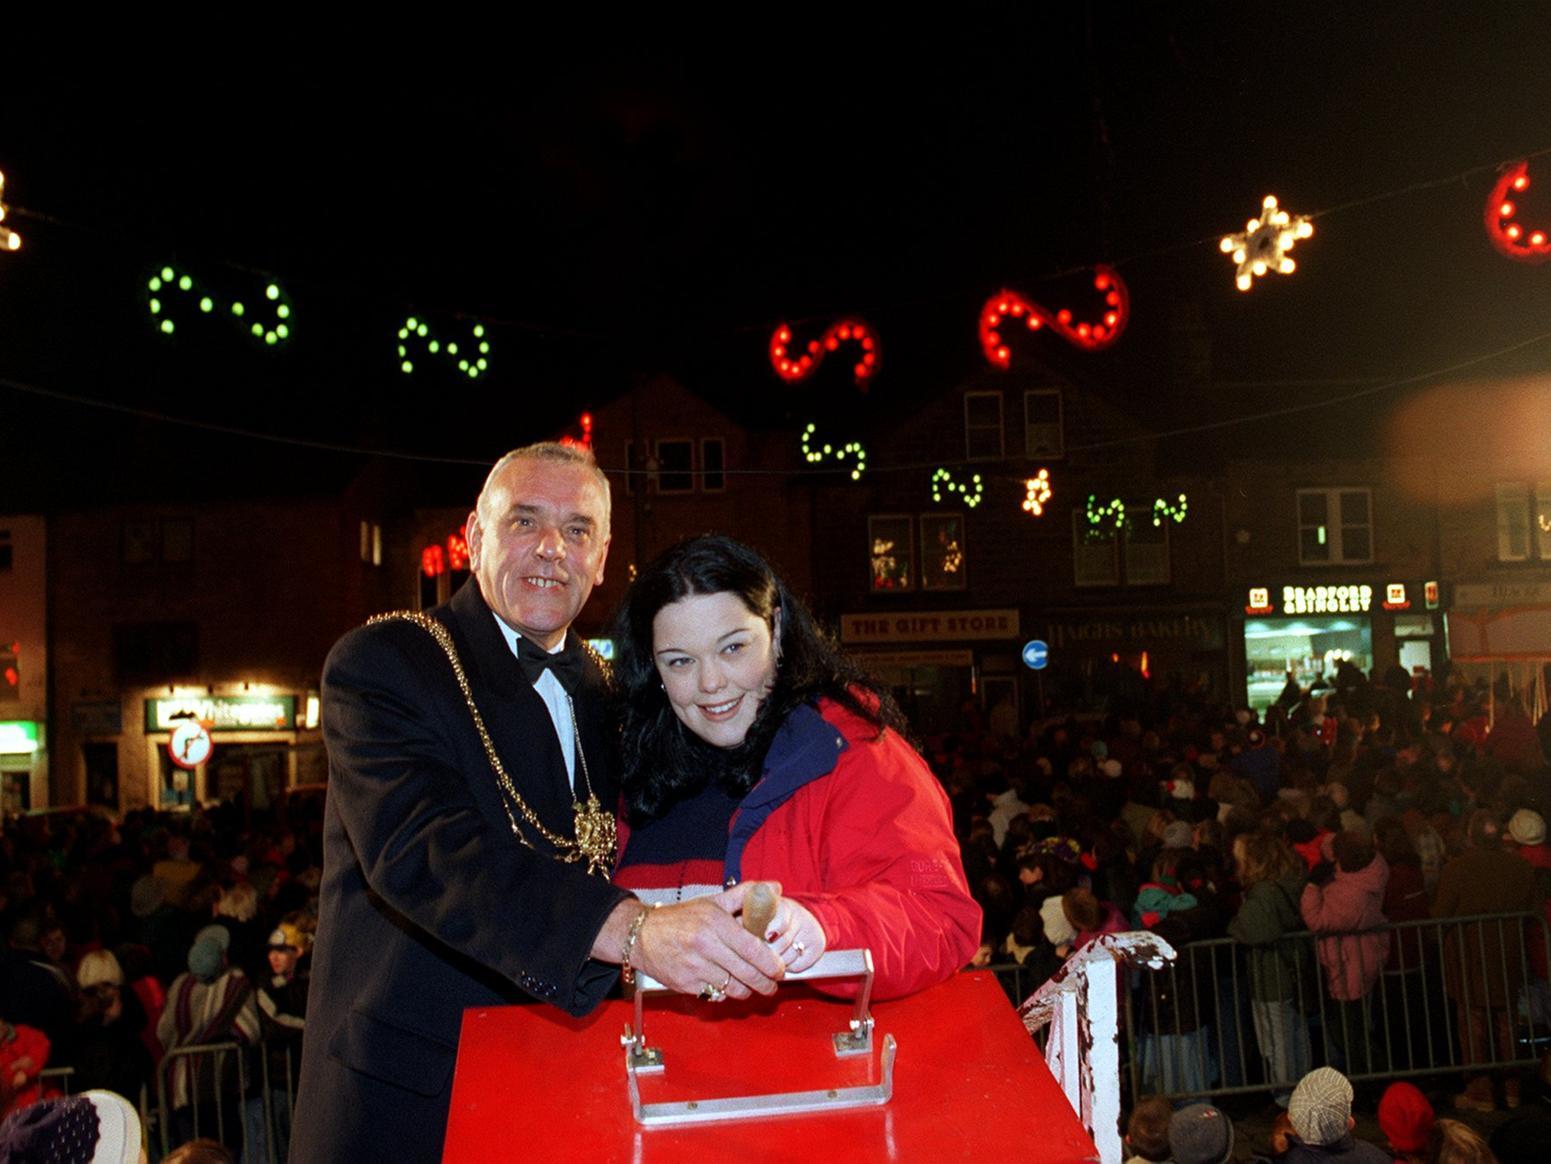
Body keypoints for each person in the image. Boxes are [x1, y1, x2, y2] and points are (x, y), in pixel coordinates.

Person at [293, 446, 786, 1162]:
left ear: (604, 554)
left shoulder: (610, 691)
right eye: (525, 520)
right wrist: (633, 930)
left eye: (578, 529)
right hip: (414, 1100)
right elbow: (428, 851)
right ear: (474, 535)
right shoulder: (388, 662)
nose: (552, 549)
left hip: (568, 1089)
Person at [610, 535, 981, 999]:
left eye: (733, 649)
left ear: (777, 630)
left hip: (803, 1064)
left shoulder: (853, 754)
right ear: (653, 666)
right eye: (680, 661)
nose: (710, 683)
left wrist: (821, 926)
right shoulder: (625, 765)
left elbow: (940, 919)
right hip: (646, 1062)